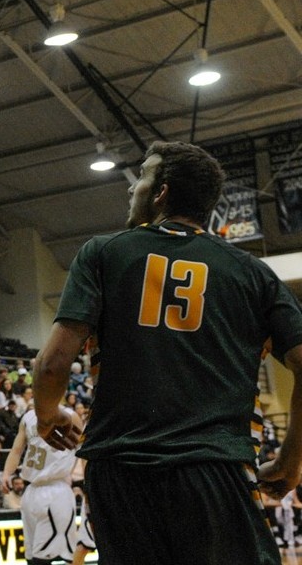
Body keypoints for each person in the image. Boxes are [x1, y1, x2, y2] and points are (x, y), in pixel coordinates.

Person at [34, 140, 302, 565]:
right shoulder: (253, 273)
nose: (131, 188)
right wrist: (291, 460)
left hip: (120, 470)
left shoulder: (103, 252)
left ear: (161, 192)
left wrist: (49, 415)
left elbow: (52, 365)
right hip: (213, 465)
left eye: (141, 176)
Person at [0, 402, 83, 565]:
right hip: (31, 490)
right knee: (31, 557)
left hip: (56, 490)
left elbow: (83, 449)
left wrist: (80, 477)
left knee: (47, 558)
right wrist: (6, 474)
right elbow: (16, 450)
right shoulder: (28, 417)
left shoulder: (70, 416)